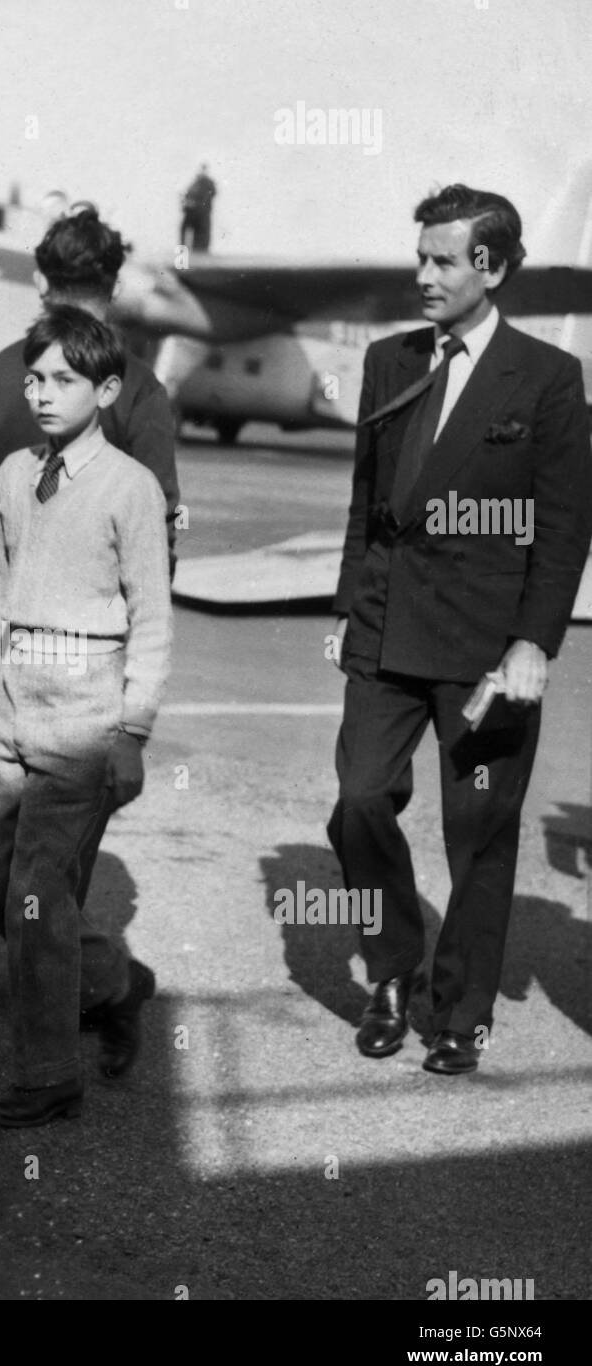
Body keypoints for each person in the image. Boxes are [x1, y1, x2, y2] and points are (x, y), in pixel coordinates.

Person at [328, 184, 592, 1076]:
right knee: (358, 801)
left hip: (486, 651)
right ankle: (392, 971)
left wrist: (533, 644)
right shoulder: (389, 360)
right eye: (420, 257)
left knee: (478, 831)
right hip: (385, 632)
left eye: (441, 261)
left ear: (493, 266)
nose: (422, 276)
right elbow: (366, 503)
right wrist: (346, 613)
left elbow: (562, 529)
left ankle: (459, 1014)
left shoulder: (548, 378)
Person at [0, 206, 179, 1011]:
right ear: (112, 284)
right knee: (61, 829)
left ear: (39, 280)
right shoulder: (133, 389)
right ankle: (71, 983)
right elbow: (156, 528)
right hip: (88, 641)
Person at [0, 305, 172, 1126]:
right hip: (15, 700)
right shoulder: (16, 472)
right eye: (34, 379)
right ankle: (115, 986)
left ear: (106, 389)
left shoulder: (132, 486)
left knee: (34, 893)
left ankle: (48, 1073)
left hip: (88, 711)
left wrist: (132, 733)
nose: (43, 395)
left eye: (63, 381)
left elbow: (153, 617)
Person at [179, 163, 217, 253]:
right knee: (197, 234)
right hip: (195, 213)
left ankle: (196, 253)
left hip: (200, 213)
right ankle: (189, 253)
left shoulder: (205, 183)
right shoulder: (195, 184)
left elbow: (211, 194)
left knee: (201, 235)